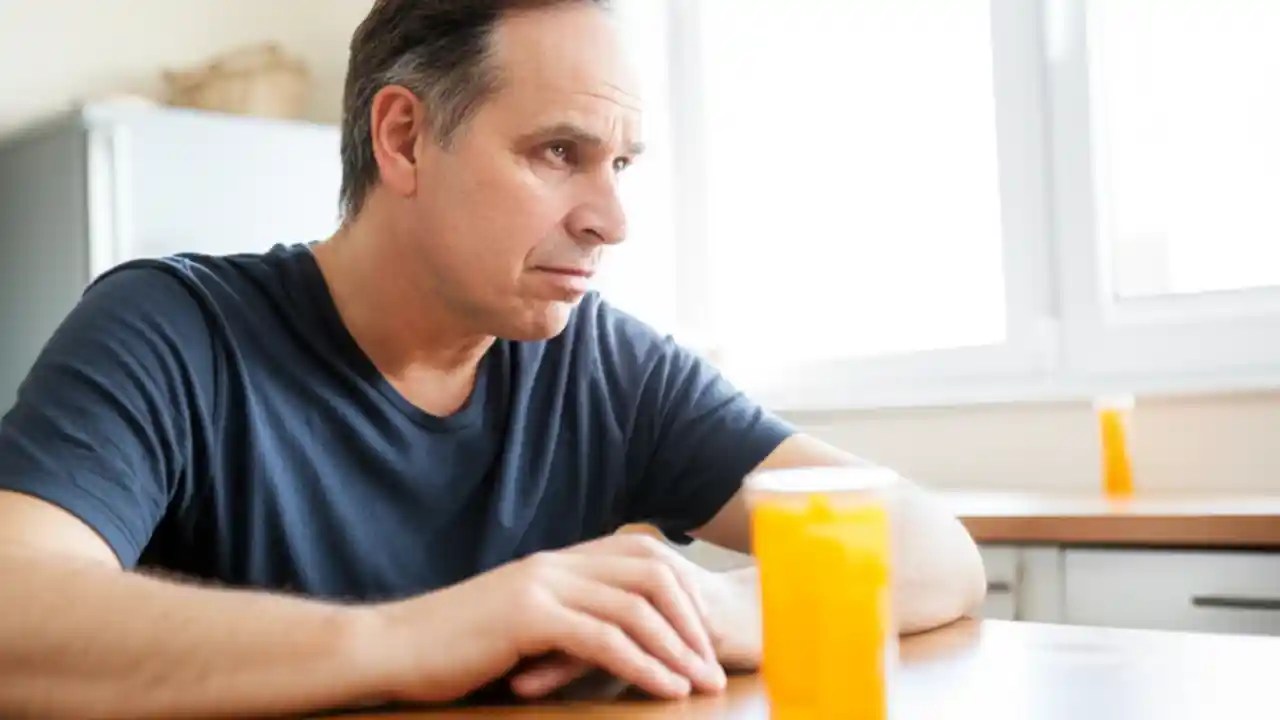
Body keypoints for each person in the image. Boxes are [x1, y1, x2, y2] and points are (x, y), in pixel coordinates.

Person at [0, 0, 986, 716]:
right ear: (403, 138)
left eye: (620, 165)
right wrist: (417, 636)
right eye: (558, 152)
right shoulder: (172, 330)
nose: (609, 219)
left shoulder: (603, 366)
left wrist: (711, 605)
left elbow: (930, 549)